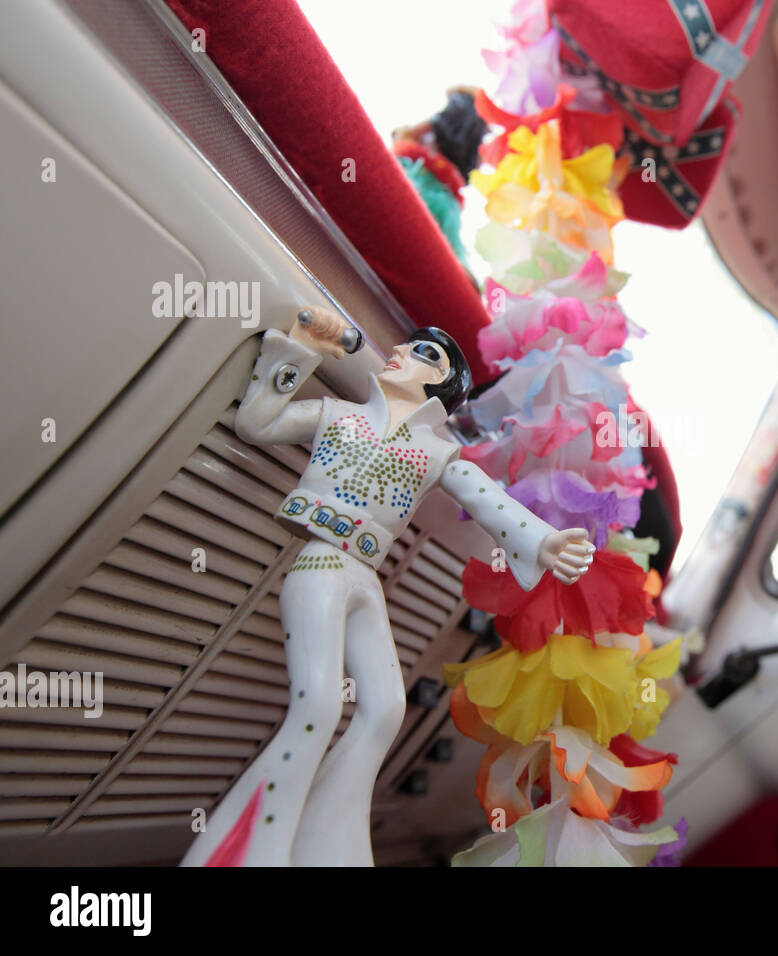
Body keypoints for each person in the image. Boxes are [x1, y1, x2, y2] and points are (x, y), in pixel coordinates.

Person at [180, 307, 594, 867]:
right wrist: (299, 348)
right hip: (321, 564)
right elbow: (257, 425)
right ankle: (252, 852)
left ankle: (326, 848)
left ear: (441, 387)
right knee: (319, 705)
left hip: (362, 577)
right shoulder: (339, 416)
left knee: (385, 709)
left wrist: (543, 542)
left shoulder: (435, 451)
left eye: (424, 354)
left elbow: (482, 495)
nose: (401, 352)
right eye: (407, 346)